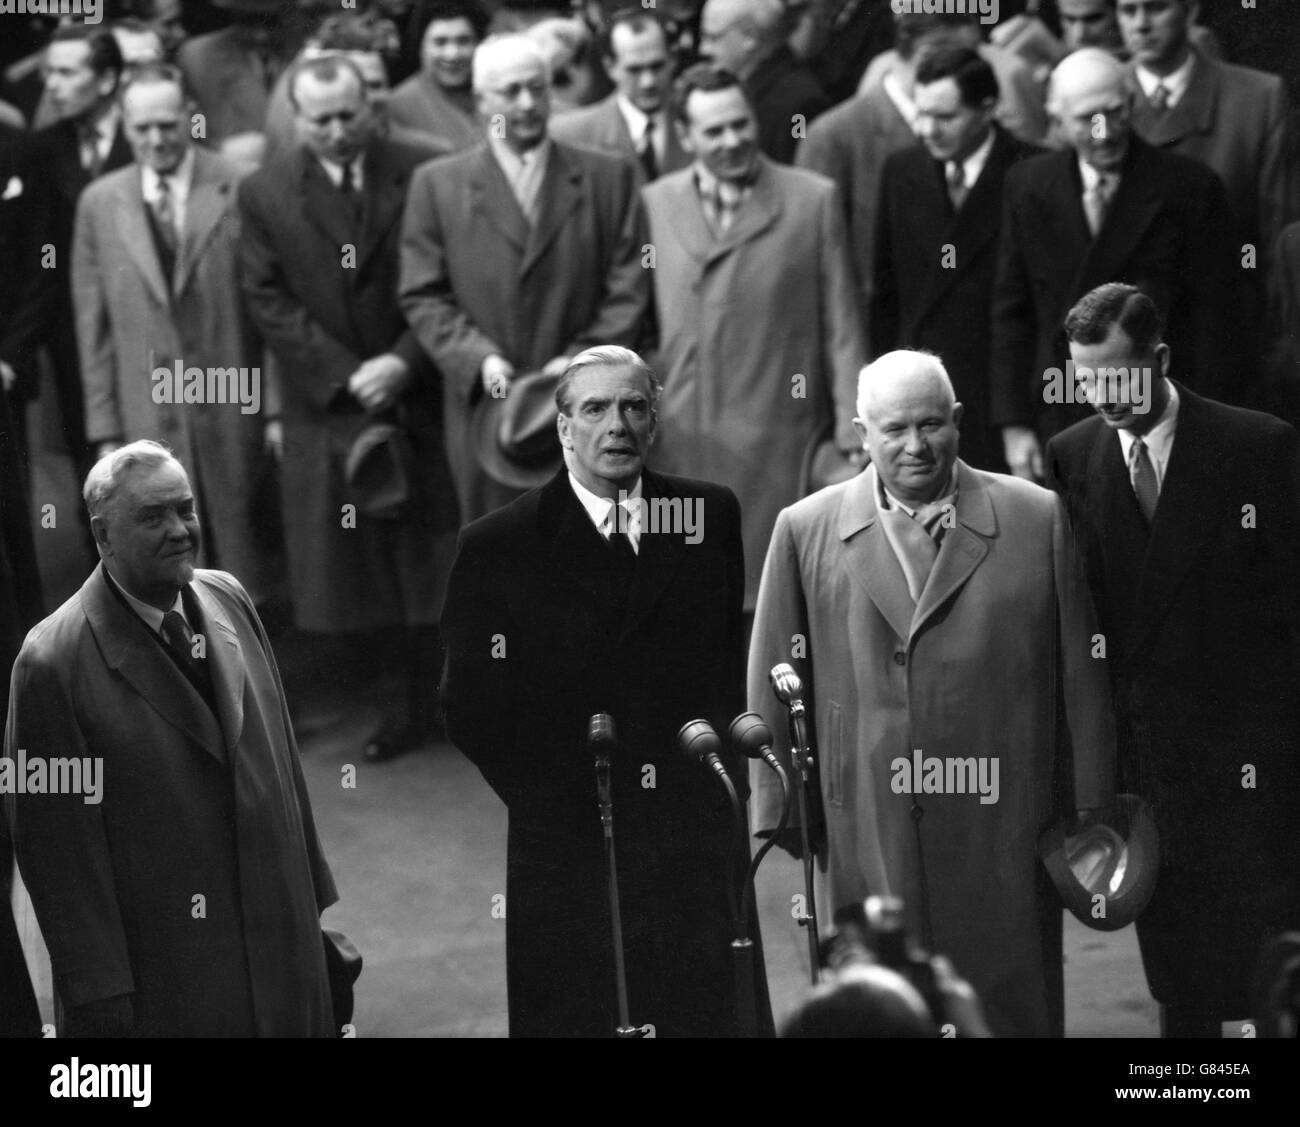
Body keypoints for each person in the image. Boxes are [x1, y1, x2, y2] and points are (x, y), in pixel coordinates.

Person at [747, 349, 1116, 1037]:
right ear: (861, 432)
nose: (915, 445)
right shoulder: (804, 529)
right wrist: (783, 811)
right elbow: (772, 673)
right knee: (883, 1008)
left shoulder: (1037, 518)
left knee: (1008, 1006)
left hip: (1005, 825)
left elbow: (1082, 673)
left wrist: (1092, 810)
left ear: (959, 420)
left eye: (931, 424)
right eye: (894, 429)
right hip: (866, 822)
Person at [441, 345, 767, 1037]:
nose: (616, 424)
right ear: (563, 428)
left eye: (634, 407)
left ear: (654, 422)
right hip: (568, 834)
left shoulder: (708, 515)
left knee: (704, 1007)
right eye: (594, 408)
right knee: (583, 1008)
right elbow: (470, 705)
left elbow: (720, 670)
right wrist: (552, 797)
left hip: (690, 827)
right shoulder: (500, 544)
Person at [3, 442, 342, 1036]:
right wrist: (100, 999)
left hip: (284, 953)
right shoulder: (51, 661)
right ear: (103, 536)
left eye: (185, 510)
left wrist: (312, 910)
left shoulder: (229, 598)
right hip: (174, 979)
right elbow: (59, 856)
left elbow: (284, 764)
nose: (179, 530)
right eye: (153, 517)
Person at [1045, 282, 1300, 1037]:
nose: (1105, 397)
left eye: (1119, 376)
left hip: (1254, 761)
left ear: (1160, 357)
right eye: (1088, 380)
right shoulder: (1072, 456)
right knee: (1180, 980)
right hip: (1150, 767)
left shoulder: (1258, 446)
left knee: (1264, 975)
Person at [240, 56, 458, 761]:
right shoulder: (265, 191)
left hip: (418, 391)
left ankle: (450, 701)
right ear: (296, 117)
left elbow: (450, 277)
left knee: (431, 557)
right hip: (329, 405)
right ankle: (396, 705)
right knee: (356, 568)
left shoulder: (425, 167)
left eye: (347, 114)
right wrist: (345, 374)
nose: (337, 130)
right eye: (320, 118)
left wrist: (403, 360)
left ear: (370, 106)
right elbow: (268, 299)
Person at [399, 34, 649, 522]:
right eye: (511, 92)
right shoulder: (437, 185)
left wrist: (584, 361)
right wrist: (479, 359)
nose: (529, 104)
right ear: (481, 101)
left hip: (593, 411)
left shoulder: (609, 177)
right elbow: (422, 294)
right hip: (489, 413)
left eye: (538, 88)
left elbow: (629, 287)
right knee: (501, 561)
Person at [643, 63, 862, 610]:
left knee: (772, 602)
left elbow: (843, 326)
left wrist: (851, 434)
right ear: (685, 136)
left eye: (740, 124)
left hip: (779, 441)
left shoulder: (813, 199)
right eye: (713, 131)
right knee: (684, 602)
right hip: (683, 442)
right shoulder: (655, 202)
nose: (732, 140)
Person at [72, 63, 276, 603]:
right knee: (162, 553)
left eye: (168, 124)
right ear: (123, 124)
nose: (156, 139)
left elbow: (271, 306)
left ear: (191, 116)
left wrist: (274, 407)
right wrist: (105, 428)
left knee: (242, 550)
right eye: (142, 128)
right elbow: (92, 328)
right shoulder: (99, 202)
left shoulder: (239, 183)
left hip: (233, 397)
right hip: (146, 405)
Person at [990, 47, 1236, 480]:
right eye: (1087, 119)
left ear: (1132, 103)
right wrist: (1014, 424)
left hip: (1163, 411)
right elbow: (1013, 311)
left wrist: (1209, 426)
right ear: (1058, 121)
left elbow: (1218, 320)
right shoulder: (1027, 185)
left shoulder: (1189, 187)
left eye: (1114, 112)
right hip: (1063, 407)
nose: (1104, 131)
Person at [873, 46, 1044, 472]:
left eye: (945, 118)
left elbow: (1041, 307)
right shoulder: (901, 171)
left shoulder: (1034, 172)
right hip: (923, 403)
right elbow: (885, 298)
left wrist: (1019, 418)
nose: (927, 130)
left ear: (987, 109)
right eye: (921, 113)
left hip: (1000, 401)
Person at [1119, 0, 1299, 378]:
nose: (1141, 25)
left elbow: (1273, 235)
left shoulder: (1256, 99)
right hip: (1123, 347)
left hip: (1229, 335)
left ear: (1190, 11)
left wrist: (1276, 342)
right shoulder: (1096, 97)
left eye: (1155, 8)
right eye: (1127, 10)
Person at [21, 26, 132, 485]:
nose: (52, 84)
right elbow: (37, 256)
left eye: (67, 72)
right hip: (74, 338)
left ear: (106, 80)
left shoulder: (148, 135)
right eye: (49, 73)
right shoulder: (42, 149)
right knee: (96, 473)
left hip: (146, 325)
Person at [549, 7, 690, 181]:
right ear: (610, 68)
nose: (648, 82)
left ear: (673, 60)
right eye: (634, 70)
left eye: (657, 66)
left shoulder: (698, 121)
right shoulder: (571, 135)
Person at [699, 0, 828, 164]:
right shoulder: (743, 90)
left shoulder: (801, 104)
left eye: (713, 38)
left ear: (749, 37)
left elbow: (800, 175)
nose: (703, 49)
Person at [388, 0, 490, 152]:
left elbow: (502, 139)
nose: (453, 54)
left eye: (463, 41)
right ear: (421, 46)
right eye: (440, 42)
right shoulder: (399, 107)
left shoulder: (498, 94)